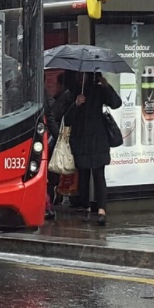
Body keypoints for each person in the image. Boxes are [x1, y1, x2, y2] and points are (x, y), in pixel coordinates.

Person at [68, 71, 122, 226]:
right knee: (84, 176)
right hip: (82, 140)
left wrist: (106, 86)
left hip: (98, 140)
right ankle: (85, 207)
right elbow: (66, 119)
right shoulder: (74, 93)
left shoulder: (99, 91)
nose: (82, 78)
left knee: (99, 175)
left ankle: (101, 210)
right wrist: (76, 104)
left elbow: (116, 103)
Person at [44, 70, 79, 220]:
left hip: (59, 137)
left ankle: (50, 202)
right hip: (70, 137)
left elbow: (52, 114)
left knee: (53, 171)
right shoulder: (73, 95)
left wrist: (57, 136)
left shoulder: (64, 98)